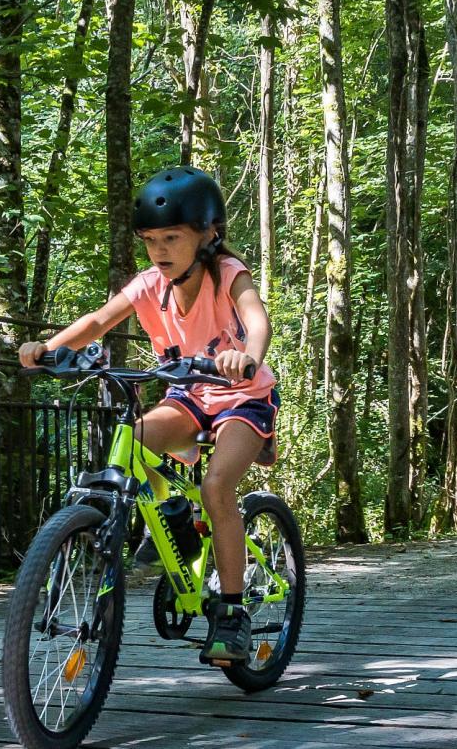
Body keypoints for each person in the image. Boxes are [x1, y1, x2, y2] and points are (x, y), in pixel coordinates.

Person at [18, 167, 277, 668]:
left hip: (242, 395)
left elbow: (256, 317)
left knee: (217, 487)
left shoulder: (227, 274)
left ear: (209, 234)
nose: (160, 250)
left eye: (172, 238)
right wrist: (47, 348)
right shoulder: (148, 286)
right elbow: (97, 321)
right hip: (190, 395)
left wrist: (246, 354)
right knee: (132, 442)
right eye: (150, 240)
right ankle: (175, 526)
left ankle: (232, 610)